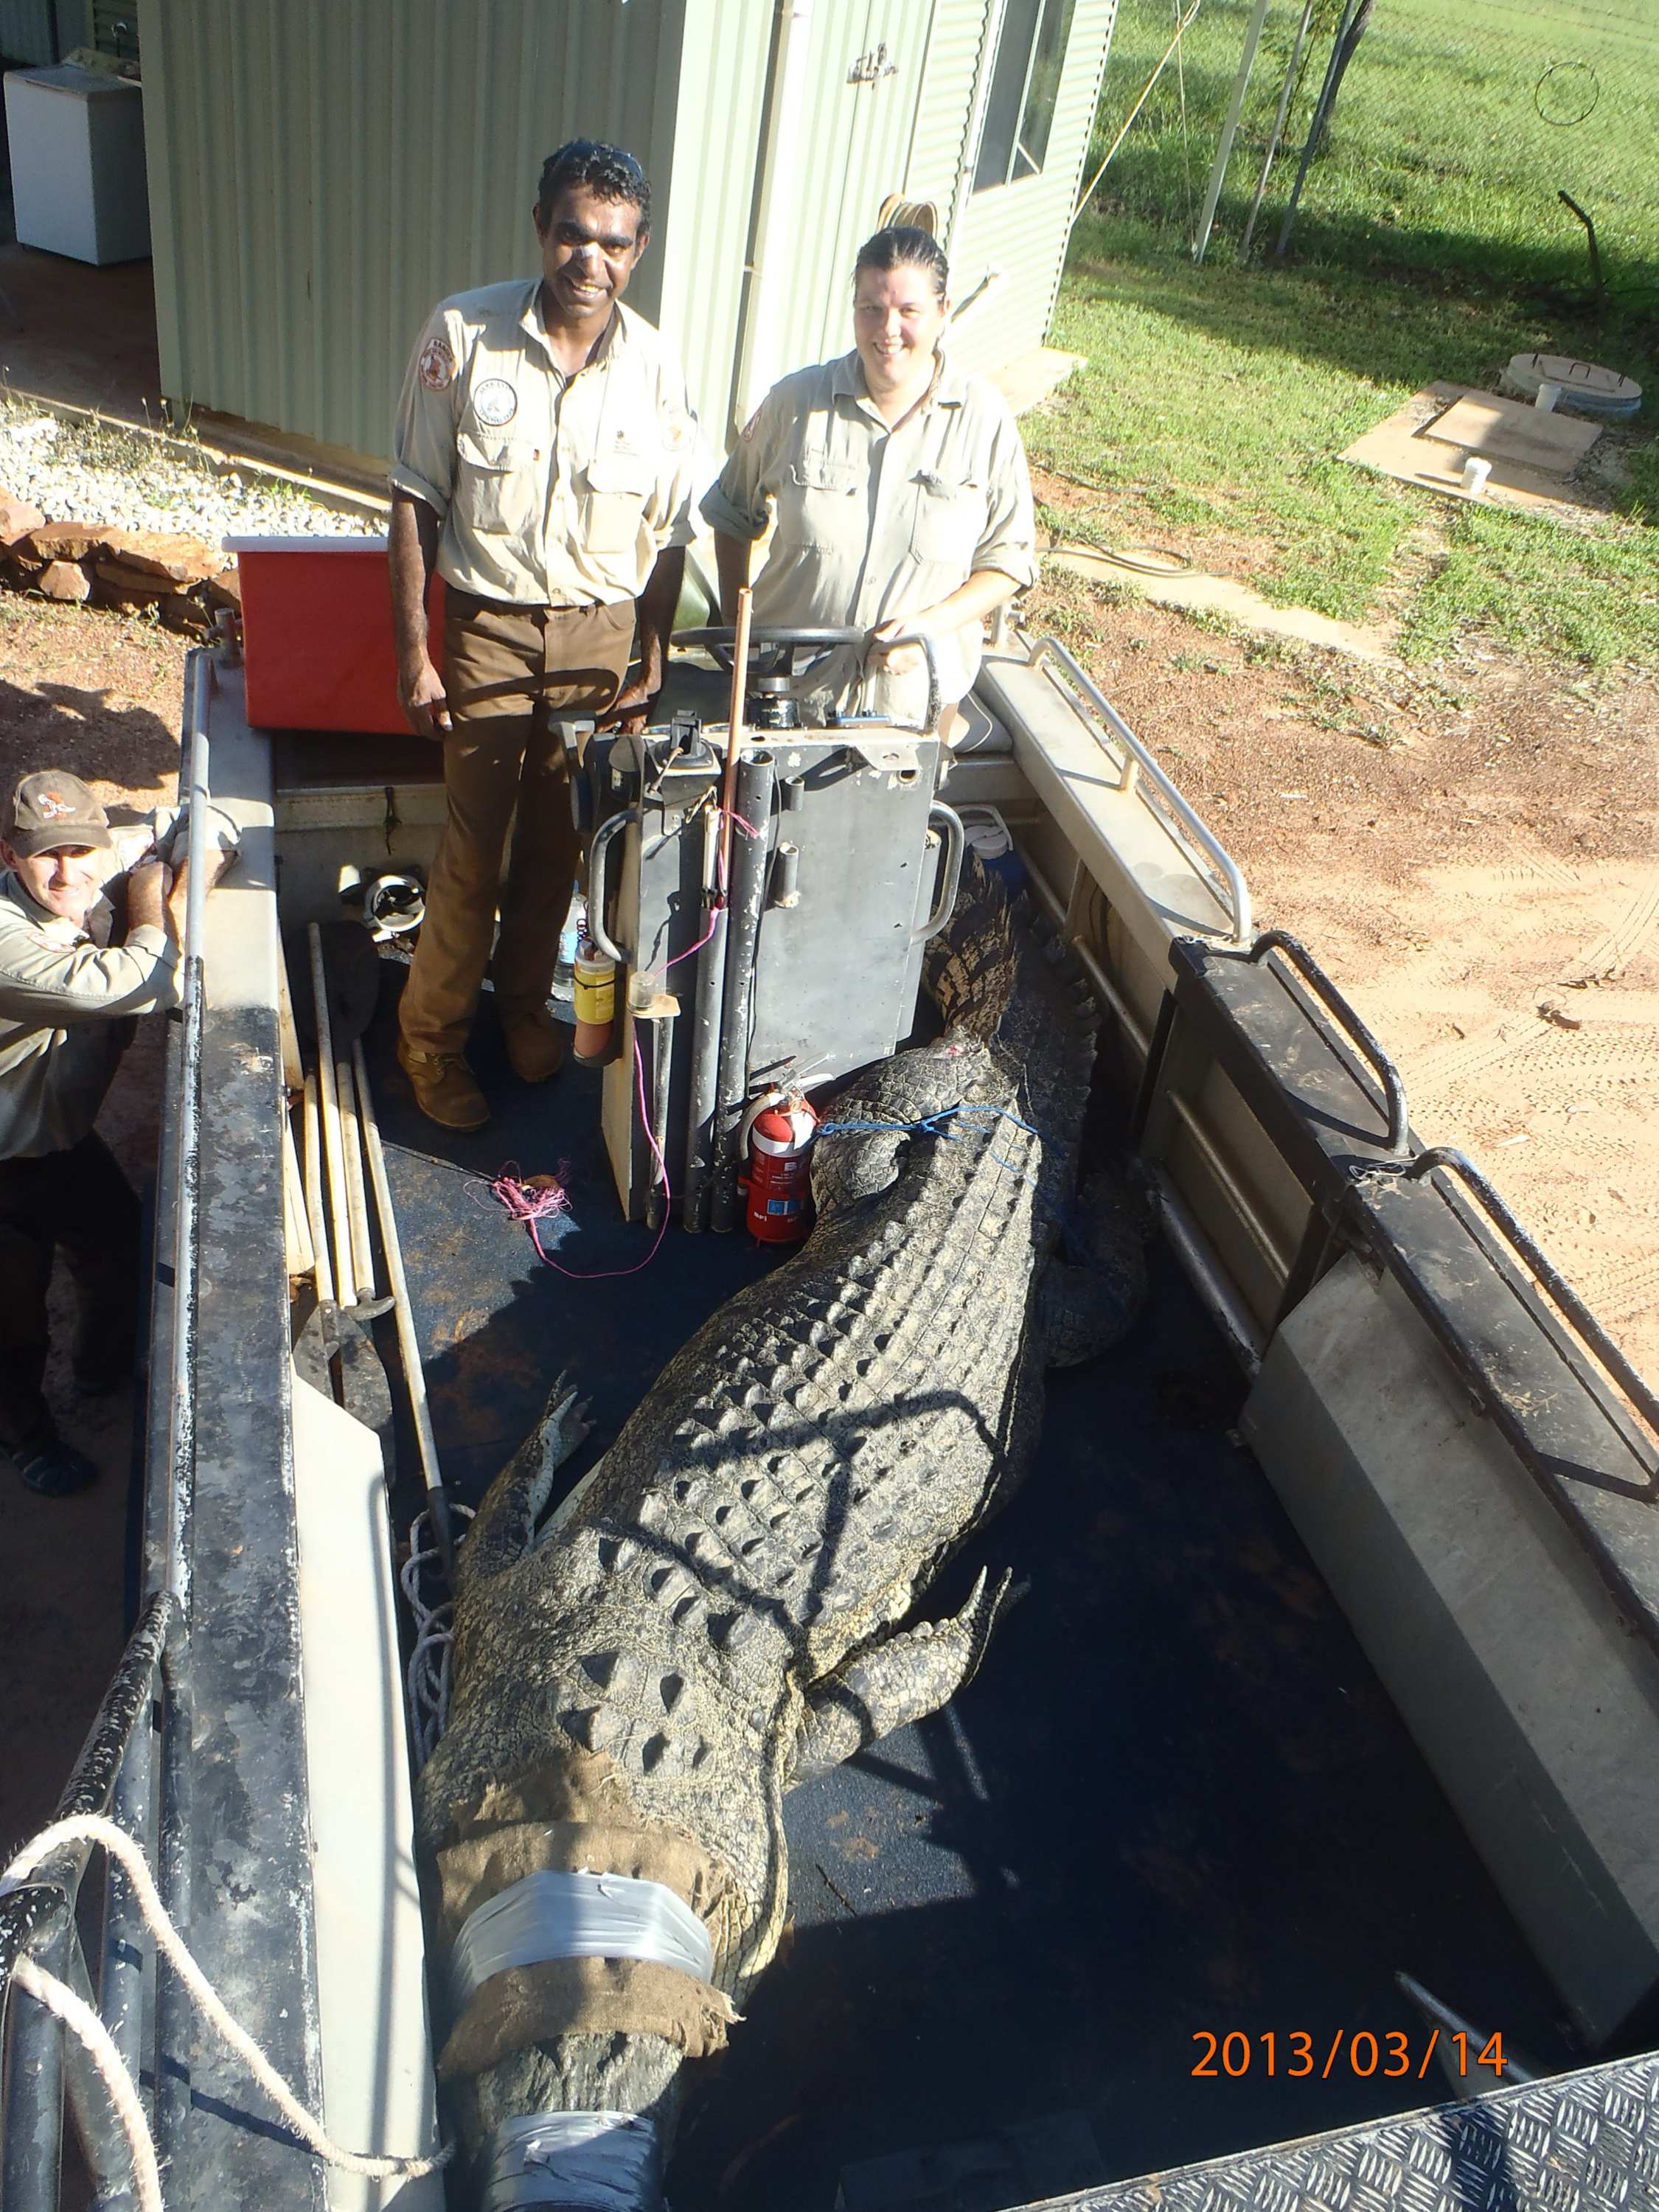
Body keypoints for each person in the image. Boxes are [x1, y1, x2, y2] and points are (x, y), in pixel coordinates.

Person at [389, 138, 698, 1133]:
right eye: (572, 233)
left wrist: (651, 658)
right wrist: (414, 651)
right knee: (472, 856)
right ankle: (429, 1044)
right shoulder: (463, 333)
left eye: (611, 242)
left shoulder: (655, 368)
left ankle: (522, 1010)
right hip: (487, 630)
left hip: (599, 640)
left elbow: (676, 529)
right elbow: (411, 498)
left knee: (560, 856)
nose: (588, 259)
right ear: (541, 228)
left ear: (636, 250)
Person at [700, 225, 1037, 742]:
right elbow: (730, 513)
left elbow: (1008, 560)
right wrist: (736, 638)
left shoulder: (983, 420)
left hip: (915, 711)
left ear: (943, 310)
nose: (888, 330)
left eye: (909, 311)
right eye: (871, 309)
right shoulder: (795, 404)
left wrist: (932, 624)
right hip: (787, 700)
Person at [0, 771, 232, 1497]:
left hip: (61, 1135)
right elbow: (143, 978)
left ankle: (101, 1371)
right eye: (45, 856)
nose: (68, 871)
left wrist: (185, 843)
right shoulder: (6, 943)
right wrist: (147, 892)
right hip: (4, 1164)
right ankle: (25, 1437)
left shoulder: (90, 866)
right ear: (9, 857)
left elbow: (188, 821)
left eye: (80, 849)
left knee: (119, 1250)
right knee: (12, 1321)